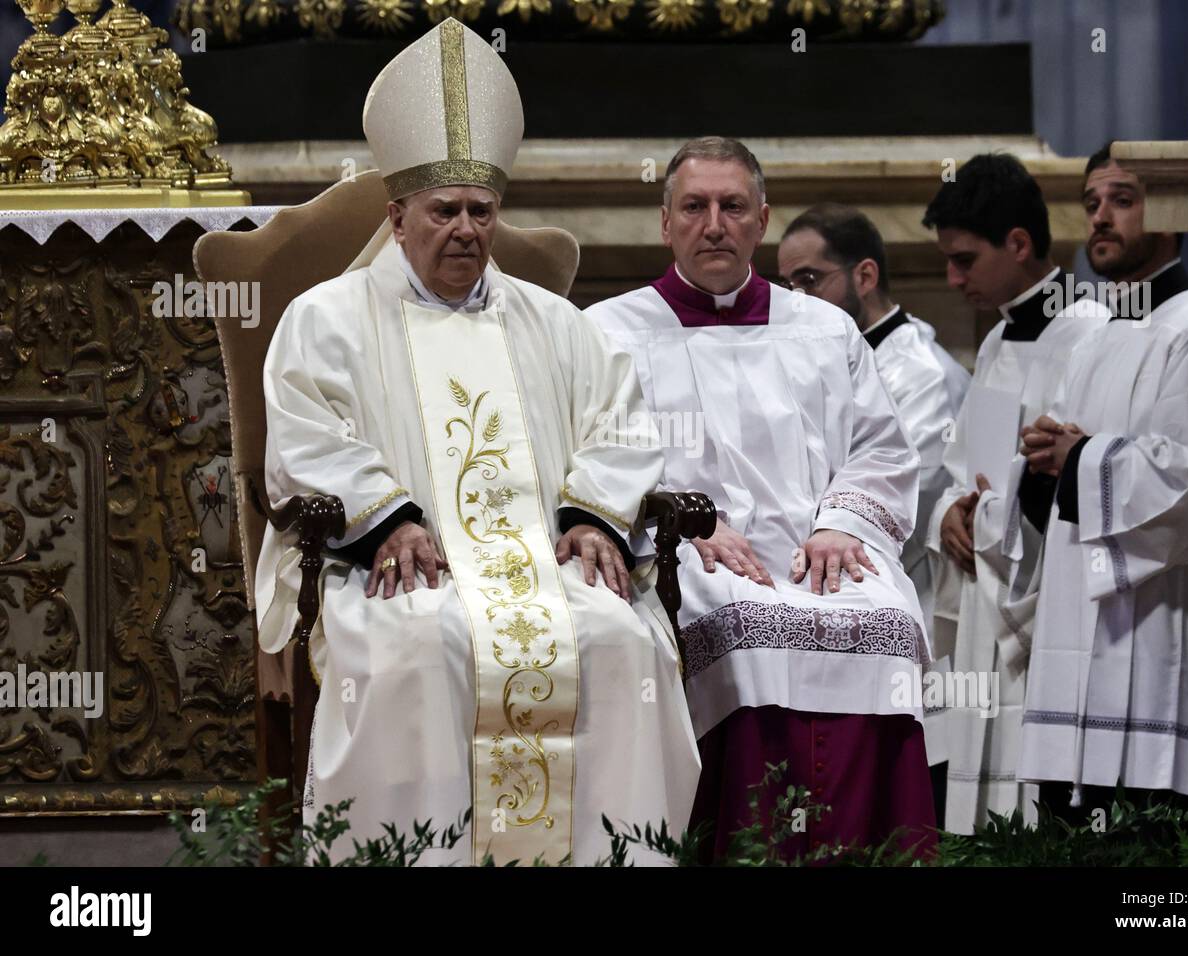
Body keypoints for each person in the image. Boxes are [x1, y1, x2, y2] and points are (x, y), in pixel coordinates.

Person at [255, 18, 699, 866]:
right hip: (391, 566)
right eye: (444, 210)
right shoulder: (327, 319)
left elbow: (621, 424)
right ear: (397, 214)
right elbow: (305, 436)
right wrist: (389, 521)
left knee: (619, 641)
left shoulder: (558, 324)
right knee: (420, 647)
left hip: (547, 564)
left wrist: (594, 517)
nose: (465, 228)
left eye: (481, 211)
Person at [587, 137, 935, 862]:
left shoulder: (825, 328)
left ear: (762, 219)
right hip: (691, 558)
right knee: (744, 631)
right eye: (694, 206)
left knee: (891, 624)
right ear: (665, 222)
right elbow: (590, 459)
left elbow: (882, 448)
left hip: (819, 555)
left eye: (732, 206)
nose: (713, 223)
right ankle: (743, 852)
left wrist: (844, 525)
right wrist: (680, 520)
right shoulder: (608, 332)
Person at [1014, 144, 1188, 858]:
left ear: (1169, 213)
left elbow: (1185, 483)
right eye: (1092, 201)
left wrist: (1079, 458)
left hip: (1177, 666)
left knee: (1169, 878)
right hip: (1084, 668)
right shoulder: (1091, 339)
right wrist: (1044, 463)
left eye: (1122, 200)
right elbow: (1069, 495)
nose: (1100, 217)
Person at [922, 153, 1108, 834]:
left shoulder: (1091, 335)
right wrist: (949, 514)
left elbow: (1072, 479)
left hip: (1042, 604)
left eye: (965, 259)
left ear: (1020, 244)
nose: (952, 277)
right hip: (983, 596)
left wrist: (995, 510)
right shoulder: (1001, 335)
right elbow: (960, 462)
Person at [777, 204, 969, 824]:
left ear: (864, 276)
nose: (794, 296)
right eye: (785, 283)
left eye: (810, 280)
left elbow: (888, 502)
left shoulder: (920, 375)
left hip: (876, 599)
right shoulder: (804, 354)